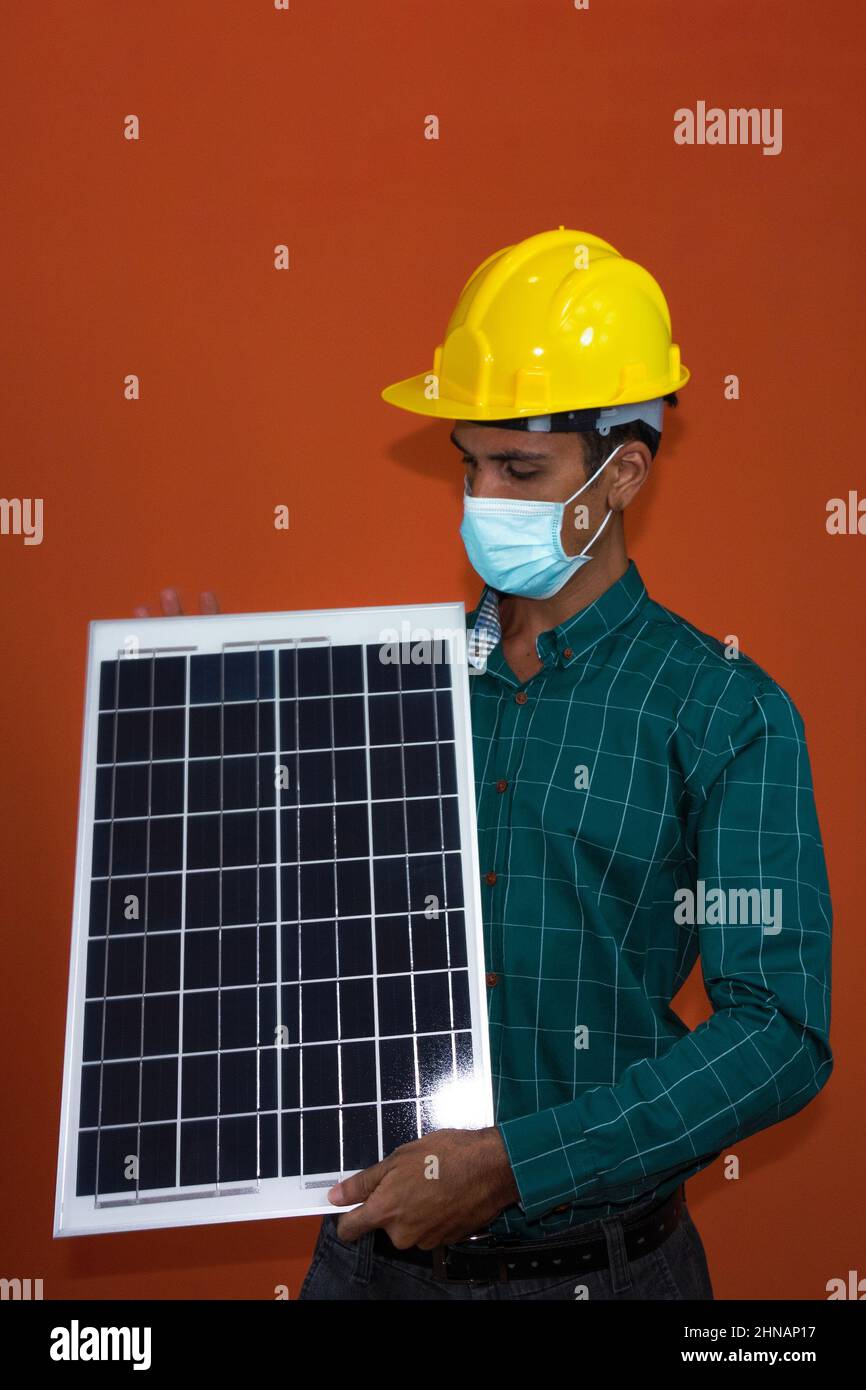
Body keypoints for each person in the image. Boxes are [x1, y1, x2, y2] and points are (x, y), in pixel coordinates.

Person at [141, 228, 834, 1300]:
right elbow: (303, 935)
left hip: (598, 1275)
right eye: (471, 463)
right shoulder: (387, 687)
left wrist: (515, 1165)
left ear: (623, 470)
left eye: (520, 467)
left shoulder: (722, 708)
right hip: (368, 1260)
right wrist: (221, 770)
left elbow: (778, 1034)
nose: (483, 497)